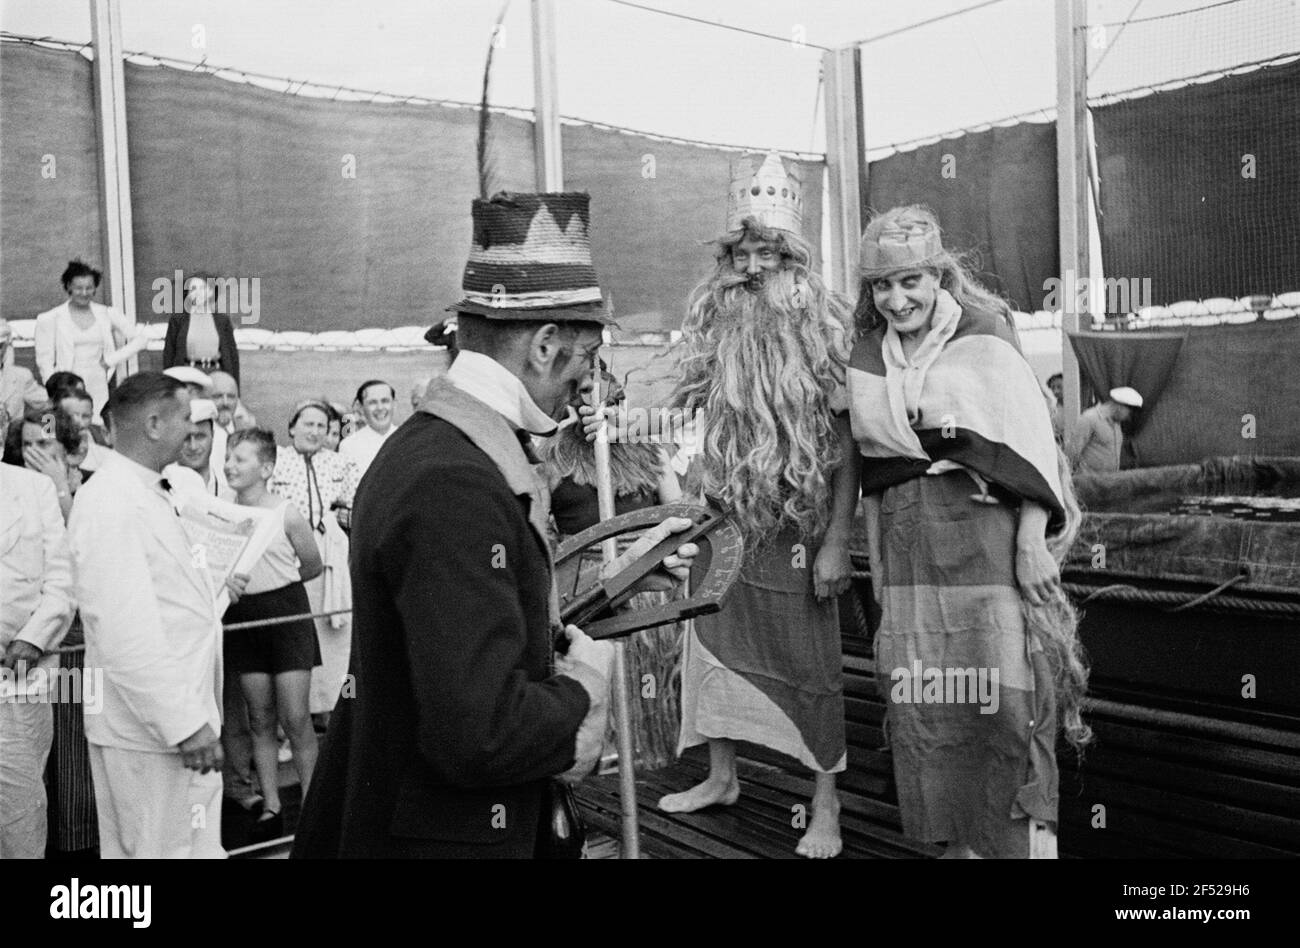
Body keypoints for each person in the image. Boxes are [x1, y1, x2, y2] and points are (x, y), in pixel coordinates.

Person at [293, 190, 696, 858]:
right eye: (587, 359)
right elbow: (483, 733)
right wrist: (585, 686)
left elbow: (478, 612)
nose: (591, 386)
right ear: (543, 345)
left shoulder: (436, 450)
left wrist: (621, 567)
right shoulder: (455, 484)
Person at [844, 204, 1090, 859]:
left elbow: (1033, 447)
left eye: (911, 282)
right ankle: (958, 844)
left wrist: (1033, 540)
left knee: (1005, 699)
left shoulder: (983, 332)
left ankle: (1014, 845)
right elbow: (872, 469)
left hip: (984, 548)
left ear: (938, 276)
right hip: (909, 560)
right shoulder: (867, 353)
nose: (897, 299)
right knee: (924, 703)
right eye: (881, 286)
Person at [643, 153, 856, 859]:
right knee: (713, 642)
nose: (754, 263)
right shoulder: (718, 315)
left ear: (791, 253)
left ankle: (824, 806)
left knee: (809, 664)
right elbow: (681, 404)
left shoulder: (821, 319)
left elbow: (850, 439)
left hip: (800, 520)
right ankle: (722, 776)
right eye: (743, 250)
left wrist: (834, 542)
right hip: (727, 510)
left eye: (768, 249)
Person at [67, 372, 227, 859]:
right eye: (184, 418)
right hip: (150, 730)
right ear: (155, 424)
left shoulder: (155, 490)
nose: (193, 431)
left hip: (180, 713)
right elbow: (124, 632)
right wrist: (183, 724)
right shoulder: (108, 501)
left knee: (193, 850)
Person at [540, 370, 684, 769]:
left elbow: (677, 513)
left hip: (645, 578)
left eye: (604, 390)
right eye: (585, 390)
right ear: (571, 396)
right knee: (599, 666)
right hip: (583, 584)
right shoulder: (554, 453)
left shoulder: (648, 446)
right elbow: (536, 527)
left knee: (648, 674)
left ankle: (651, 747)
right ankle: (598, 748)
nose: (595, 398)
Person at [223, 428, 325, 838]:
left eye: (240, 459)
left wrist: (279, 585)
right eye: (229, 458)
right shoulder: (223, 513)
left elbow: (313, 565)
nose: (230, 465)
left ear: (265, 468)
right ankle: (272, 803)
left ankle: (315, 803)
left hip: (286, 617)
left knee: (297, 718)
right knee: (259, 718)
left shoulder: (287, 513)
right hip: (243, 620)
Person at [0, 405, 76, 859]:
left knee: (20, 807)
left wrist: (34, 637)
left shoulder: (33, 489)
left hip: (20, 675)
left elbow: (61, 581)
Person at [269, 400, 359, 726]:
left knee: (334, 638)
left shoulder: (340, 463)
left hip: (330, 557)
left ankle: (334, 713)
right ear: (292, 427)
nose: (315, 431)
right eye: (308, 424)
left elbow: (355, 504)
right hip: (288, 555)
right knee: (295, 638)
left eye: (322, 426)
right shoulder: (276, 460)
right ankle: (292, 720)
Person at [34, 260, 148, 425]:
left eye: (89, 288)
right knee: (61, 426)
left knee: (96, 423)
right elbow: (44, 360)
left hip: (97, 381)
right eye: (79, 288)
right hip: (66, 384)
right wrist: (54, 387)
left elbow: (141, 339)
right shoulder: (50, 318)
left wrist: (110, 361)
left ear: (95, 288)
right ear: (68, 287)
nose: (84, 292)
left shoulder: (106, 313)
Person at [163, 274, 240, 382]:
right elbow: (169, 354)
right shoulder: (178, 320)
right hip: (188, 376)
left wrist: (235, 391)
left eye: (203, 288)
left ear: (210, 292)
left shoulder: (222, 320)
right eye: (193, 289)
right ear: (188, 294)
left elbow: (232, 357)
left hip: (216, 375)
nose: (198, 293)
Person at [1067, 386, 1143, 474]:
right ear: (1120, 407)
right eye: (1129, 413)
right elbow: (1072, 452)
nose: (1128, 418)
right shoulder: (1089, 419)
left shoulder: (1116, 424)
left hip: (1108, 481)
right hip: (1088, 481)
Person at [163, 398, 226, 497]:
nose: (193, 446)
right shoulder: (164, 487)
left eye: (200, 436)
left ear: (213, 435)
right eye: (186, 438)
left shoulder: (229, 488)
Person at [338, 380, 396, 477]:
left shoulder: (409, 439)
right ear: (361, 408)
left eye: (385, 401)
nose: (380, 408)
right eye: (372, 402)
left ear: (394, 404)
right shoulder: (349, 446)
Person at [0, 317, 47, 422]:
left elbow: (50, 406)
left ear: (7, 345)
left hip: (11, 437)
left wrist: (48, 435)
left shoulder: (21, 377)